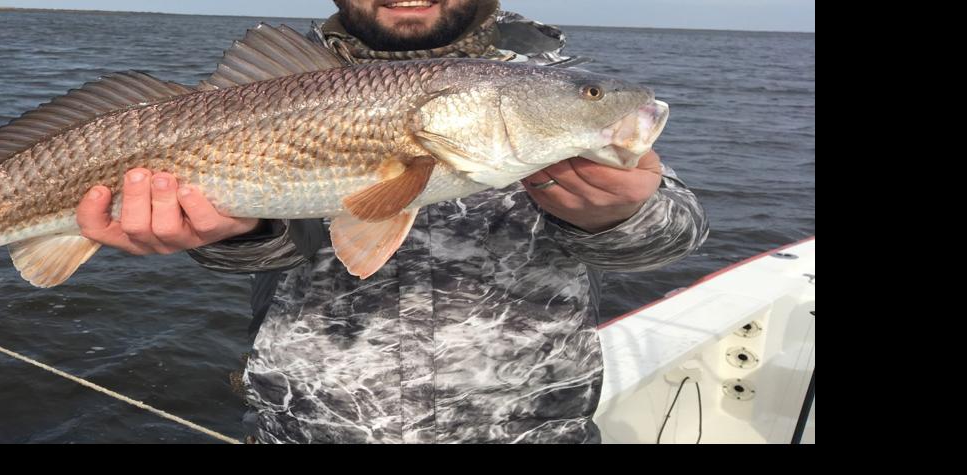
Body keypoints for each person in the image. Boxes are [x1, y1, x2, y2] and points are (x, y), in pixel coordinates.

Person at [76, 0, 709, 443]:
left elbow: (676, 232)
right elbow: (266, 254)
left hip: (529, 427)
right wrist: (238, 234)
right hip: (307, 425)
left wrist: (622, 213)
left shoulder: (558, 89)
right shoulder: (271, 89)